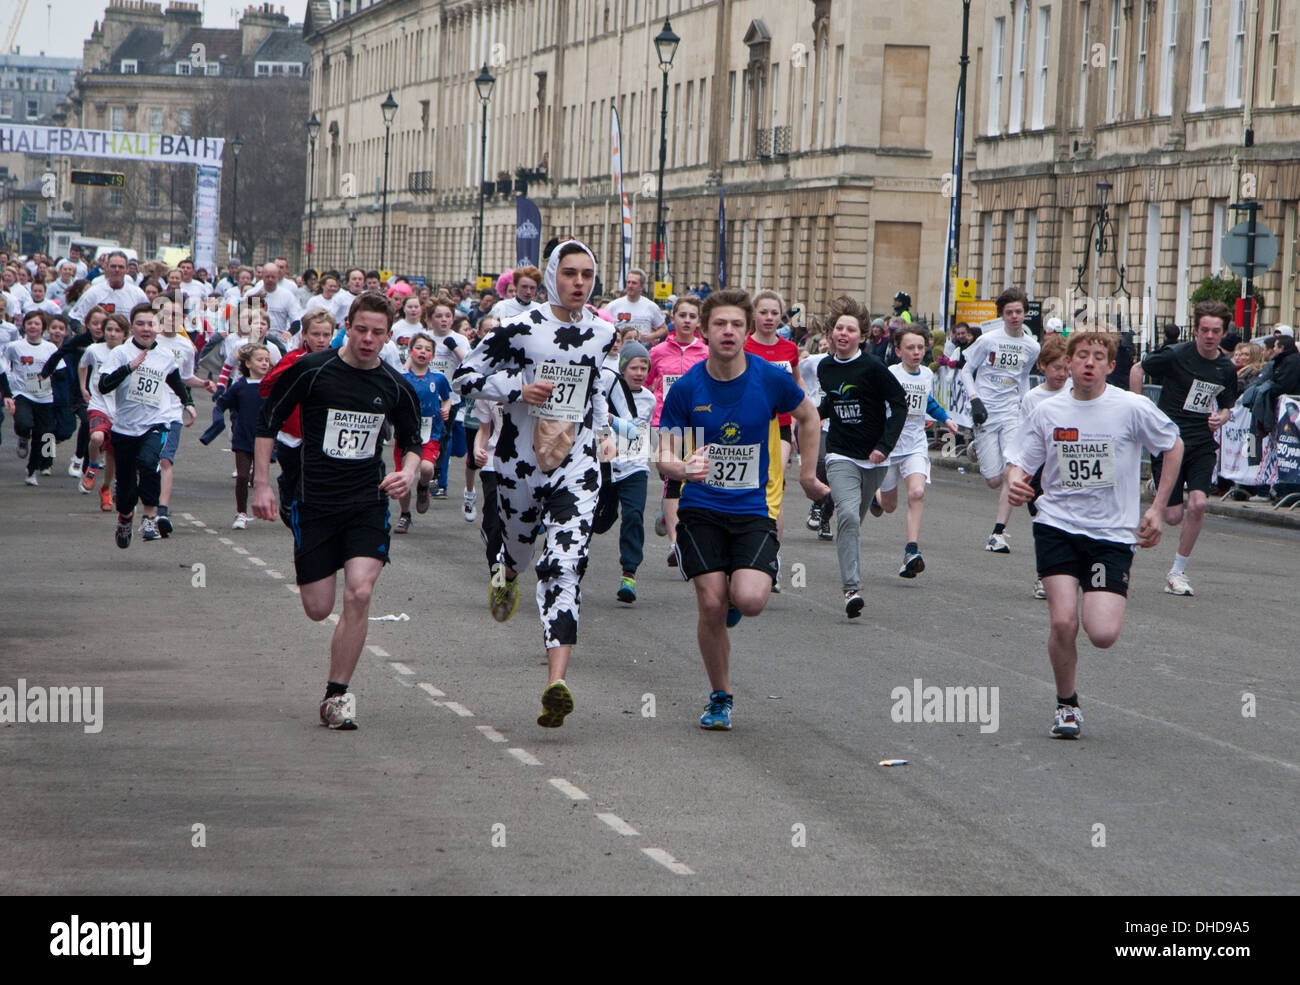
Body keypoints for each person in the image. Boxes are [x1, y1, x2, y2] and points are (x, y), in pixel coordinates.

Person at [452, 239, 616, 729]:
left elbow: (597, 393)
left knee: (564, 566)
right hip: (519, 463)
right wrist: (514, 389)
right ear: (551, 276)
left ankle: (555, 684)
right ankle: (506, 564)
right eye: (570, 273)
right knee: (522, 554)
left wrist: (606, 438)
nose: (579, 284)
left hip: (577, 464)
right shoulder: (520, 329)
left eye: (587, 274)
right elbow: (462, 378)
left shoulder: (603, 333)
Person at [658, 288, 829, 729]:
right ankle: (720, 696)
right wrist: (682, 467)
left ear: (747, 329)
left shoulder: (769, 379)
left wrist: (808, 475)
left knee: (749, 600)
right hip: (701, 507)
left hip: (753, 507)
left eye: (737, 324)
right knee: (711, 605)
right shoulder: (688, 387)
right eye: (720, 324)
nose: (728, 332)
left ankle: (736, 595)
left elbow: (809, 418)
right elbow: (663, 455)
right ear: (705, 329)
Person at [252, 292, 423, 731]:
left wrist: (408, 471)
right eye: (361, 329)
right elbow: (268, 420)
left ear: (390, 335)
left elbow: (413, 442)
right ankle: (335, 686)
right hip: (314, 502)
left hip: (366, 502)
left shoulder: (394, 384)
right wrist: (262, 484)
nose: (368, 339)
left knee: (360, 593)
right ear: (348, 325)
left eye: (378, 333)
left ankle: (336, 696)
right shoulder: (313, 370)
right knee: (317, 606)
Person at [1007, 331, 1183, 739]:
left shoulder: (1131, 407)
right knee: (1064, 622)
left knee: (1102, 633)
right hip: (1057, 526)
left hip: (1112, 534)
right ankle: (1066, 705)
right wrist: (1017, 482)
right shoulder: (1049, 411)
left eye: (1098, 356)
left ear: (1110, 365)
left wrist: (1156, 509)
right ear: (1068, 362)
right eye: (1081, 355)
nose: (1089, 362)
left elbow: (1172, 446)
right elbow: (1020, 461)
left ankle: (1072, 687)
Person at [1128, 300, 1238, 596]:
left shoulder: (1225, 368)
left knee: (1200, 504)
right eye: (1204, 330)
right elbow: (1139, 368)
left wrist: (1222, 416)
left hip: (1202, 442)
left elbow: (1229, 405)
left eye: (1216, 331)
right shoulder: (1175, 355)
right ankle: (1157, 484)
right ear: (1197, 329)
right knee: (1173, 516)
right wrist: (1137, 408)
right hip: (1170, 443)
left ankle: (1177, 572)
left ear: (1223, 332)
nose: (1209, 336)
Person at [816, 297, 908, 616]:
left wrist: (884, 445)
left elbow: (899, 405)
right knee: (848, 516)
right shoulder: (825, 367)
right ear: (830, 333)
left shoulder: (873, 368)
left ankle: (864, 509)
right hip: (840, 453)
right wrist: (812, 417)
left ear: (862, 335)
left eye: (850, 329)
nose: (843, 333)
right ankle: (851, 589)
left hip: (874, 459)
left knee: (854, 521)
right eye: (839, 328)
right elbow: (830, 402)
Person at [96, 304, 197, 546]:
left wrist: (188, 403)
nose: (145, 329)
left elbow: (175, 379)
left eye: (151, 324)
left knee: (150, 462)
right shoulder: (120, 353)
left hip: (156, 422)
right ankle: (125, 517)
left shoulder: (164, 355)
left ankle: (150, 517)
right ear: (132, 327)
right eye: (140, 324)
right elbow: (104, 386)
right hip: (125, 428)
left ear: (158, 327)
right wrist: (129, 368)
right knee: (127, 490)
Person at [959, 287, 1041, 553]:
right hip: (985, 410)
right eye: (1009, 312)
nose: (1015, 317)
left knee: (1012, 471)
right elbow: (966, 370)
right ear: (1002, 315)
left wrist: (1026, 406)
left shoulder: (1032, 346)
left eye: (1018, 312)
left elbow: (1023, 378)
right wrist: (974, 400)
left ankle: (998, 533)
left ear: (1025, 313)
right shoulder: (987, 340)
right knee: (993, 480)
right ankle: (975, 448)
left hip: (1010, 413)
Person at [874, 323, 959, 577]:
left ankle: (911, 551)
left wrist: (946, 418)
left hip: (914, 444)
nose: (916, 352)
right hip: (889, 445)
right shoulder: (889, 373)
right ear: (898, 351)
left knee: (917, 492)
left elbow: (928, 401)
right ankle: (874, 498)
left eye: (920, 347)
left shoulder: (926, 375)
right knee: (889, 506)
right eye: (910, 348)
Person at [258, 310, 338, 526]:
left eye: (326, 335)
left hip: (323, 434)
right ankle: (287, 495)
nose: (321, 340)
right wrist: (294, 373)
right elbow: (266, 388)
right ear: (304, 334)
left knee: (315, 483)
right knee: (293, 477)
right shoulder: (294, 359)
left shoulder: (339, 360)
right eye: (315, 334)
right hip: (291, 433)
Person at [745, 289, 803, 587]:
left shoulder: (789, 349)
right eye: (763, 312)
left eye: (774, 313)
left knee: (774, 486)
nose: (769, 318)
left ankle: (772, 557)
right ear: (754, 315)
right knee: (750, 489)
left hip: (779, 426)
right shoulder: (743, 346)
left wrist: (795, 423)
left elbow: (796, 385)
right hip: (747, 428)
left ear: (781, 316)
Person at [646, 294, 708, 563]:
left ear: (698, 321)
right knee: (672, 479)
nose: (686, 320)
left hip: (698, 425)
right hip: (665, 423)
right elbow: (645, 385)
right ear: (673, 319)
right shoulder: (658, 352)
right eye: (682, 315)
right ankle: (675, 544)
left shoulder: (706, 353)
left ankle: (673, 522)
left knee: (691, 479)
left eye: (692, 316)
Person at [601, 340, 655, 603]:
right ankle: (577, 562)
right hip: (606, 465)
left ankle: (629, 574)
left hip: (635, 467)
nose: (639, 373)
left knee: (633, 517)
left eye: (644, 368)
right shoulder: (606, 392)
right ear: (623, 369)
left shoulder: (649, 399)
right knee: (600, 520)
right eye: (634, 367)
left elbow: (641, 432)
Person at [394, 332, 451, 532]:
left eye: (428, 350)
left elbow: (447, 397)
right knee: (403, 477)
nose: (423, 352)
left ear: (433, 356)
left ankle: (423, 486)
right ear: (410, 352)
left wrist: (446, 408)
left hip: (430, 434)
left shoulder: (439, 378)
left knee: (427, 468)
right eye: (418, 348)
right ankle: (404, 514)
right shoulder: (401, 378)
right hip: (405, 434)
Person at [215, 343, 272, 529]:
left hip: (264, 439)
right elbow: (222, 403)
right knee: (242, 476)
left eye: (267, 360)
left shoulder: (272, 386)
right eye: (260, 360)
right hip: (243, 436)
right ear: (247, 363)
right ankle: (241, 513)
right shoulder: (240, 387)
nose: (264, 363)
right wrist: (217, 419)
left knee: (259, 477)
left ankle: (262, 506)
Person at [1, 310, 60, 483]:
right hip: (23, 393)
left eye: (36, 324)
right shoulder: (15, 347)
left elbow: (59, 370)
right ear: (24, 326)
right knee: (24, 423)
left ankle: (31, 469)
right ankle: (22, 436)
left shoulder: (50, 348)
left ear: (43, 328)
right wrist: (7, 392)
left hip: (45, 397)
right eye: (29, 323)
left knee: (42, 435)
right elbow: (4, 367)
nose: (33, 327)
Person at [78, 311, 127, 510]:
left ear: (125, 334)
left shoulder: (128, 353)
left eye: (117, 330)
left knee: (112, 454)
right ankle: (92, 466)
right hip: (98, 404)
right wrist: (83, 387)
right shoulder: (94, 350)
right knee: (96, 438)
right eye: (109, 329)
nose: (112, 334)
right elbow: (82, 366)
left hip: (120, 409)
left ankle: (106, 490)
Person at [68, 251, 147, 326]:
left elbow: (149, 319)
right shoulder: (93, 292)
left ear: (127, 269)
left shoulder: (138, 294)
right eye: (113, 266)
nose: (117, 270)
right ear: (106, 268)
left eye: (121, 267)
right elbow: (75, 319)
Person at [607, 268, 667, 345]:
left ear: (641, 286)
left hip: (642, 351)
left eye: (634, 283)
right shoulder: (613, 306)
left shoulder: (651, 306)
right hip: (619, 351)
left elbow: (664, 329)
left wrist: (651, 336)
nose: (630, 286)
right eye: (628, 282)